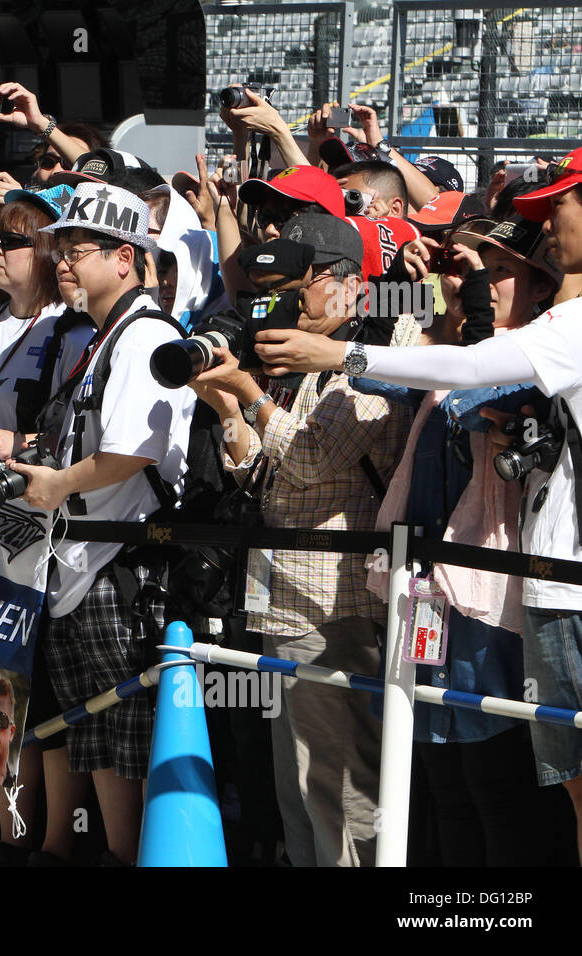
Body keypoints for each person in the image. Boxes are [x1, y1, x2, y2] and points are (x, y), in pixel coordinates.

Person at [252, 148, 582, 860]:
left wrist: (339, 351)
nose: (477, 284)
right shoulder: (441, 343)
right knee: (443, 785)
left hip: (498, 602)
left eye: (494, 271)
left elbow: (462, 379)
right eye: (467, 269)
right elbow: (409, 376)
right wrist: (417, 294)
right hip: (432, 598)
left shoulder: (538, 357)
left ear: (538, 281)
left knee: (504, 791)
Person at [190, 212, 417, 867]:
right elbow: (257, 471)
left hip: (337, 607)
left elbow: (317, 456)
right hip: (280, 595)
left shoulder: (379, 346)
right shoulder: (294, 352)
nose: (288, 296)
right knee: (296, 783)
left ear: (348, 285)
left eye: (302, 280)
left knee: (342, 784)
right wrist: (230, 409)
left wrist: (249, 395)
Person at [9, 181, 194, 866]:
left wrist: (57, 481)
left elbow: (129, 454)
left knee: (125, 742)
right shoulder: (104, 336)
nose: (61, 260)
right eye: (58, 246)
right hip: (85, 566)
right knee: (101, 741)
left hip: (119, 568)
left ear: (125, 257)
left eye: (77, 248)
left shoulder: (144, 335)